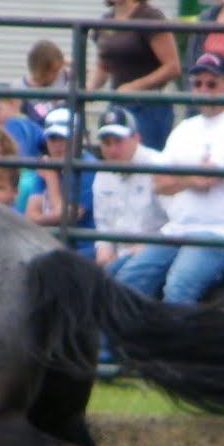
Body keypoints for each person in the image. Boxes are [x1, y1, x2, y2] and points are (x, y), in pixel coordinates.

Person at [114, 53, 224, 304]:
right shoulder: (185, 128)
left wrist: (185, 177)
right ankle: (117, 345)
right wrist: (194, 176)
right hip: (179, 229)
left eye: (212, 84)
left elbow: (207, 178)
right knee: (128, 279)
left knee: (178, 286)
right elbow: (160, 183)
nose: (204, 90)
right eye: (198, 83)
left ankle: (173, 344)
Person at [89, 0, 181, 150]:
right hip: (117, 105)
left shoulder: (150, 16)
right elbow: (103, 67)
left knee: (144, 164)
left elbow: (172, 67)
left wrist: (134, 86)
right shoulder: (104, 22)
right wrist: (84, 91)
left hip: (148, 106)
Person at [90, 105, 167, 276]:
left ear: (136, 138)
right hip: (119, 253)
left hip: (153, 251)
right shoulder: (102, 174)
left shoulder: (157, 166)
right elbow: (102, 225)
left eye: (118, 141)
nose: (112, 150)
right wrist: (103, 248)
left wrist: (149, 245)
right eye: (106, 143)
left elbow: (177, 220)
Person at [25, 107, 96, 252]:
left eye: (64, 138)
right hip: (49, 244)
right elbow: (30, 215)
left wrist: (51, 178)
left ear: (77, 138)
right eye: (52, 139)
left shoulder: (88, 166)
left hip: (84, 247)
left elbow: (66, 217)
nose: (58, 145)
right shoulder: (47, 165)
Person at [22, 39, 71, 124]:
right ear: (40, 71)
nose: (56, 75)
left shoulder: (63, 76)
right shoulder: (20, 89)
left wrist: (67, 62)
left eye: (58, 70)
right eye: (53, 71)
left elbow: (90, 71)